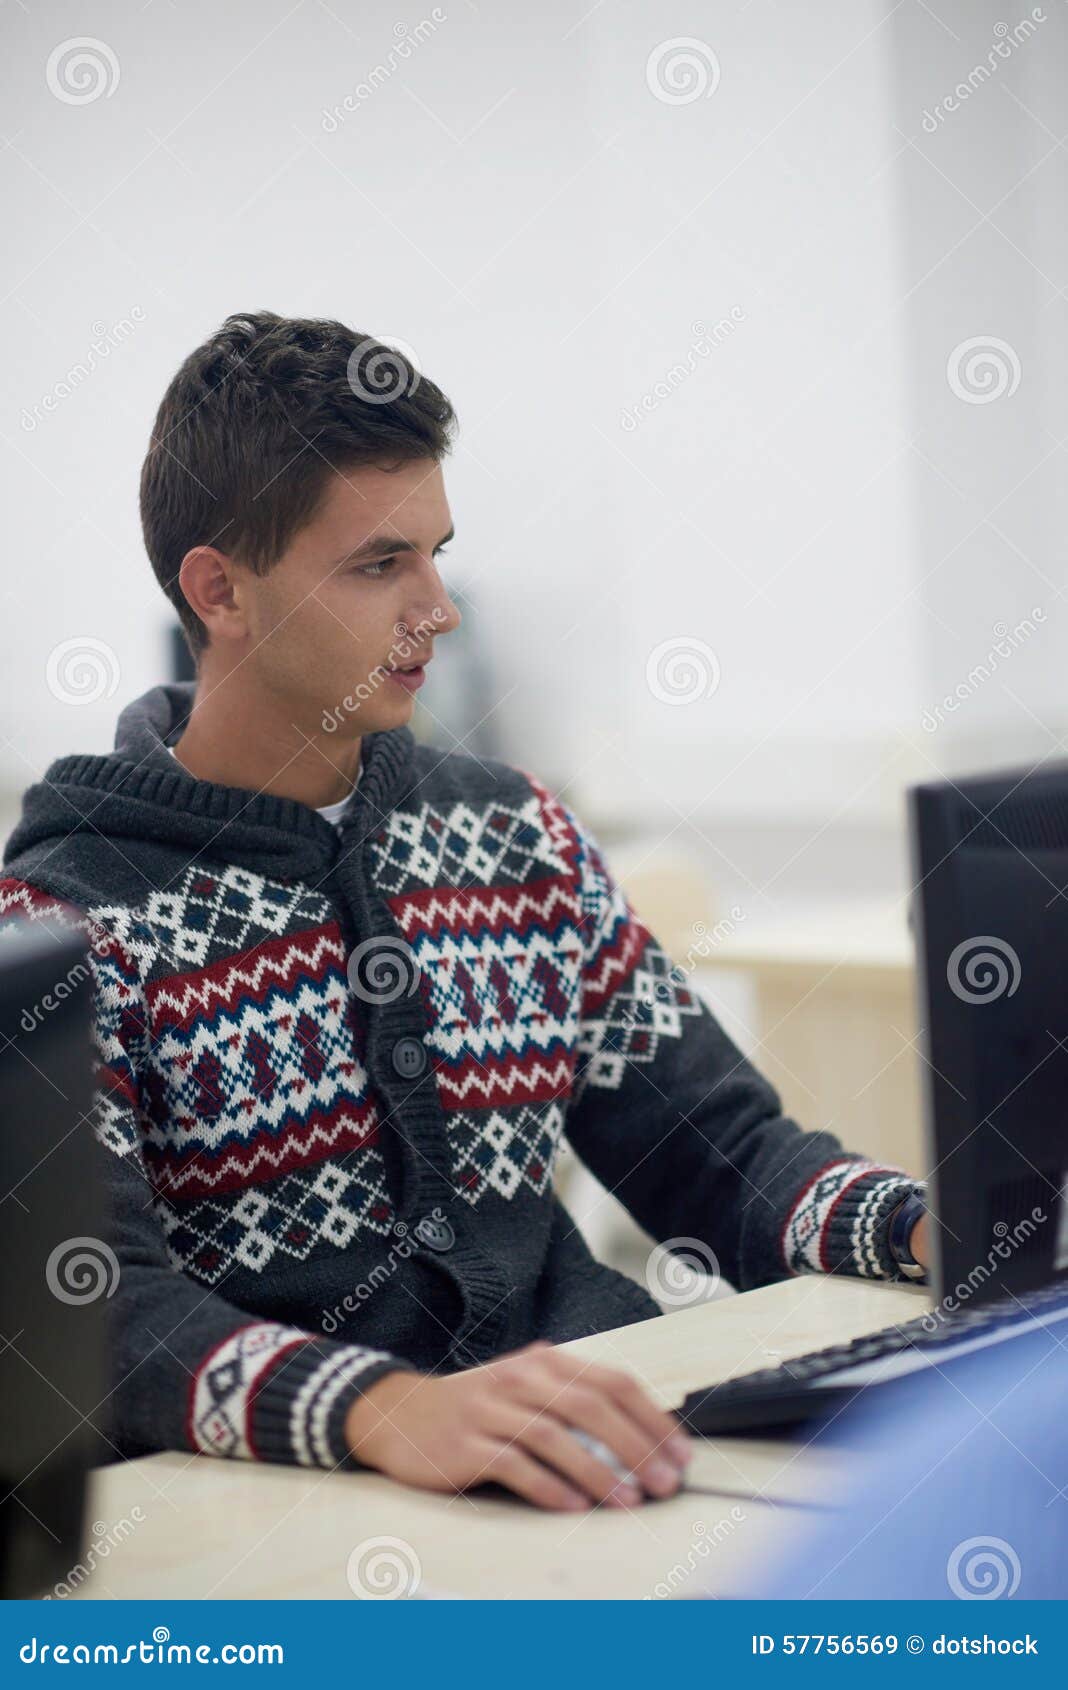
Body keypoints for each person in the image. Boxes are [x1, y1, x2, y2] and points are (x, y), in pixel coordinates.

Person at [0, 312, 929, 1514]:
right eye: (380, 565)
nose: (437, 607)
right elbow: (89, 1308)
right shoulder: (63, 912)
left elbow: (722, 1157)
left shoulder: (511, 831)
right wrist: (383, 1406)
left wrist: (928, 1231)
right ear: (219, 589)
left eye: (437, 553)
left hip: (589, 1458)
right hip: (303, 1519)